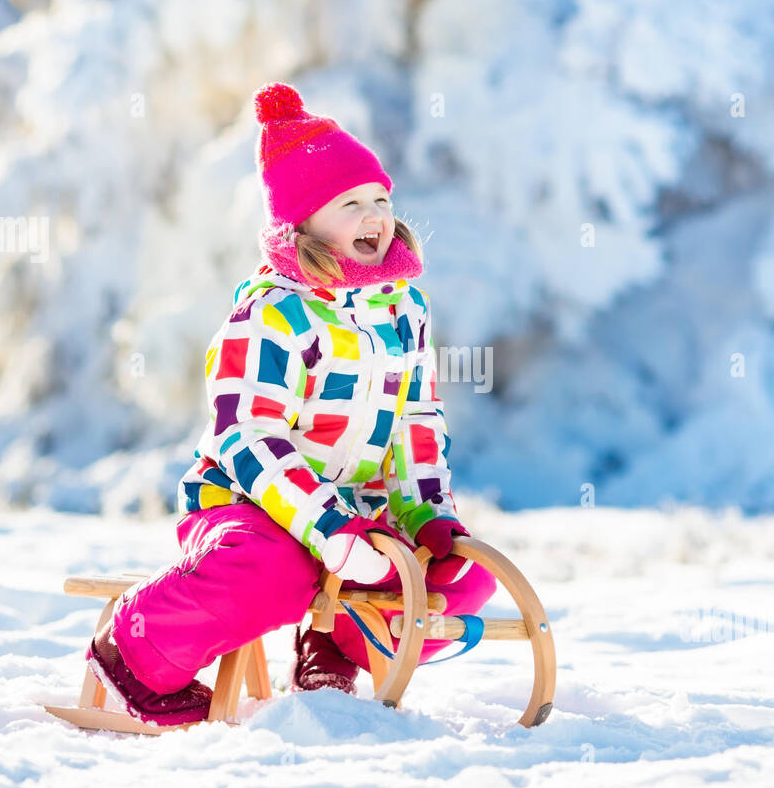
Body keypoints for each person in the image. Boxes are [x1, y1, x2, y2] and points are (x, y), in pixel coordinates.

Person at [84, 81, 497, 727]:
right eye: (351, 203)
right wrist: (326, 532)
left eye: (381, 199)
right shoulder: (272, 314)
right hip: (253, 510)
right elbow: (246, 438)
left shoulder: (402, 310)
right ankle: (131, 652)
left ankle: (332, 645)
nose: (374, 216)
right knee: (274, 573)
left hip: (356, 517)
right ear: (303, 223)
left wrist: (428, 516)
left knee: (464, 579)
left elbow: (416, 422)